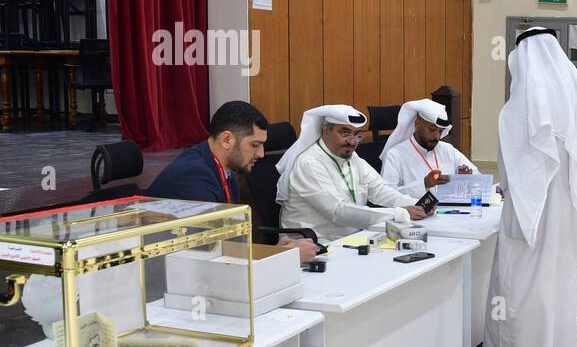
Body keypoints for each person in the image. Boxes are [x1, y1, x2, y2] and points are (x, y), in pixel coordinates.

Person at [481, 28, 577, 347]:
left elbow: (515, 159)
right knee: (557, 283)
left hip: (531, 208)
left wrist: (507, 186)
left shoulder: (525, 97)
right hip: (565, 209)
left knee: (520, 280)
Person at [148, 100, 317, 263]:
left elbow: (227, 245)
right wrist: (278, 255)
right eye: (255, 145)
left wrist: (274, 251)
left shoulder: (225, 169)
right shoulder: (191, 177)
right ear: (227, 139)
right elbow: (210, 250)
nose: (261, 154)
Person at [277, 104, 427, 245]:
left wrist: (416, 204)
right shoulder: (309, 163)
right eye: (345, 133)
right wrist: (398, 213)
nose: (352, 141)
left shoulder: (350, 157)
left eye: (357, 135)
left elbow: (380, 189)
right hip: (317, 244)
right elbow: (337, 211)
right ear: (326, 130)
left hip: (352, 238)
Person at [379, 98, 478, 197]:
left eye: (440, 131)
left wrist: (466, 178)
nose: (436, 137)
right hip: (414, 211)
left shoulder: (447, 150)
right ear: (417, 123)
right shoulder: (395, 155)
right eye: (432, 129)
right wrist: (424, 184)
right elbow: (386, 196)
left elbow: (477, 177)